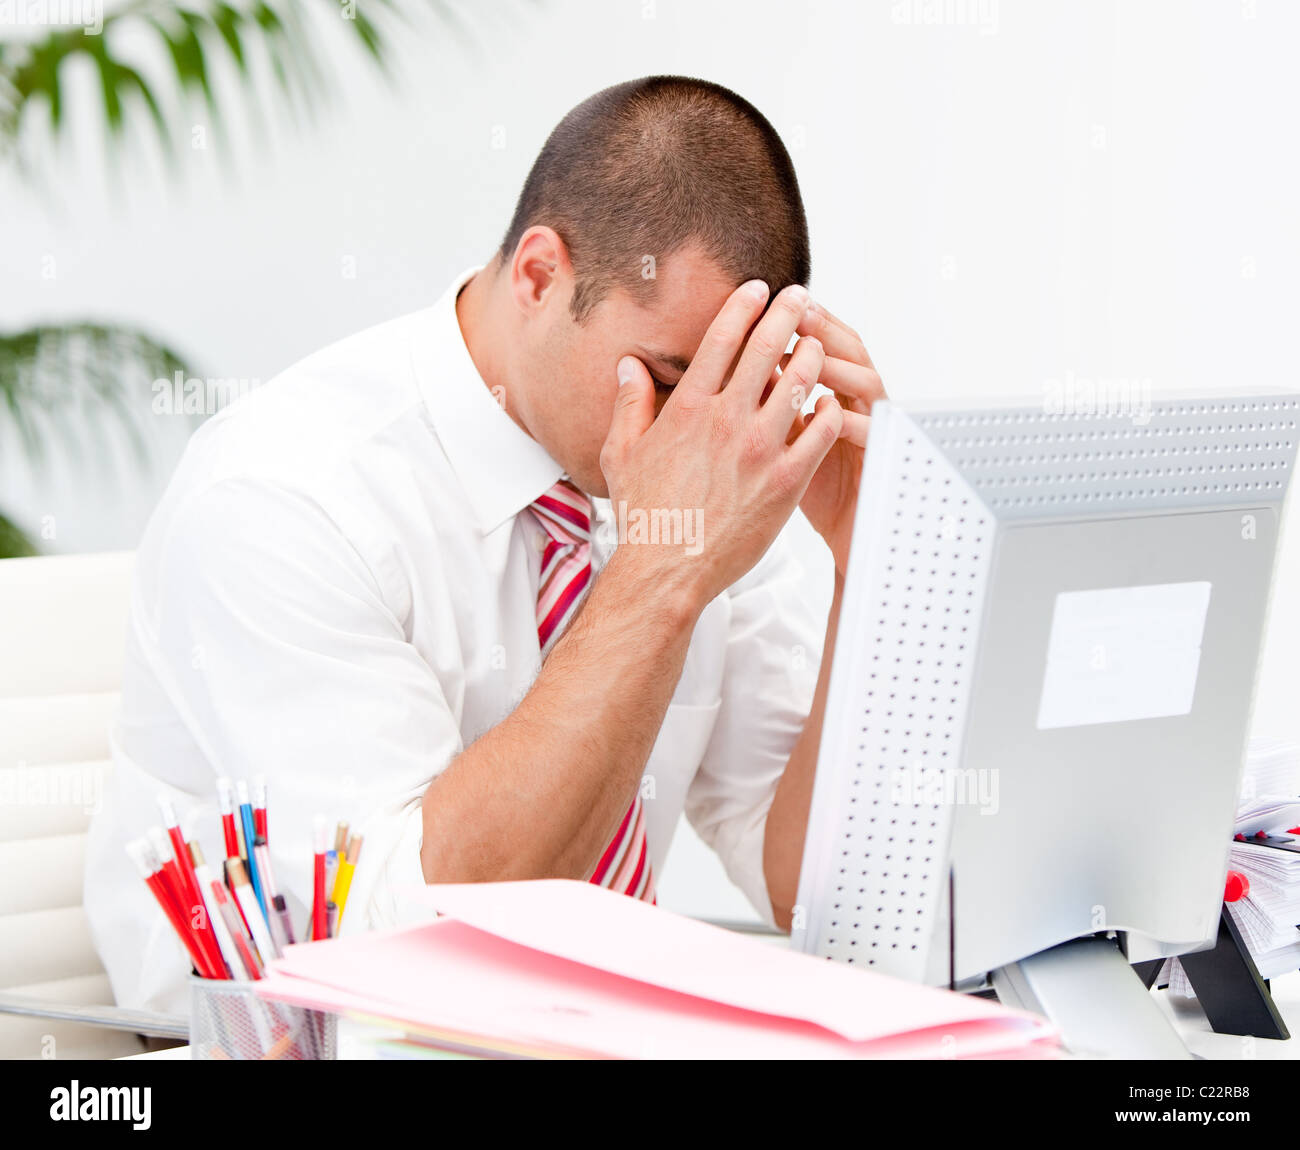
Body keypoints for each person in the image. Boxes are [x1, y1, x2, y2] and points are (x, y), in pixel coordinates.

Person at [85, 74, 884, 1013]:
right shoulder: (281, 493)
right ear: (541, 277)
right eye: (672, 379)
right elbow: (413, 943)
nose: (699, 435)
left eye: (729, 385)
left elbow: (803, 884)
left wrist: (867, 566)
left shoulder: (687, 477)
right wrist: (665, 570)